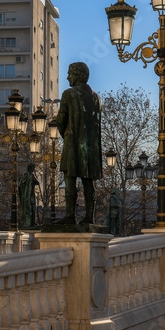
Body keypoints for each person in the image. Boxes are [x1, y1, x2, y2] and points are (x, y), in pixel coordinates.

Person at [53, 62, 102, 226]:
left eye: (70, 73)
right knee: (89, 181)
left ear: (77, 75)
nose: (67, 77)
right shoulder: (97, 98)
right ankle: (89, 217)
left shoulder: (68, 94)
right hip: (92, 148)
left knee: (70, 178)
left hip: (73, 143)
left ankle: (70, 216)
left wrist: (66, 135)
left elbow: (60, 121)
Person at [18, 161, 39, 228]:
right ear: (30, 167)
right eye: (33, 167)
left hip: (31, 194)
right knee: (28, 209)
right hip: (27, 195)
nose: (34, 169)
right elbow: (20, 184)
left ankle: (32, 222)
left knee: (33, 208)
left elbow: (37, 182)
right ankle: (27, 223)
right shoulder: (26, 175)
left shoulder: (31, 175)